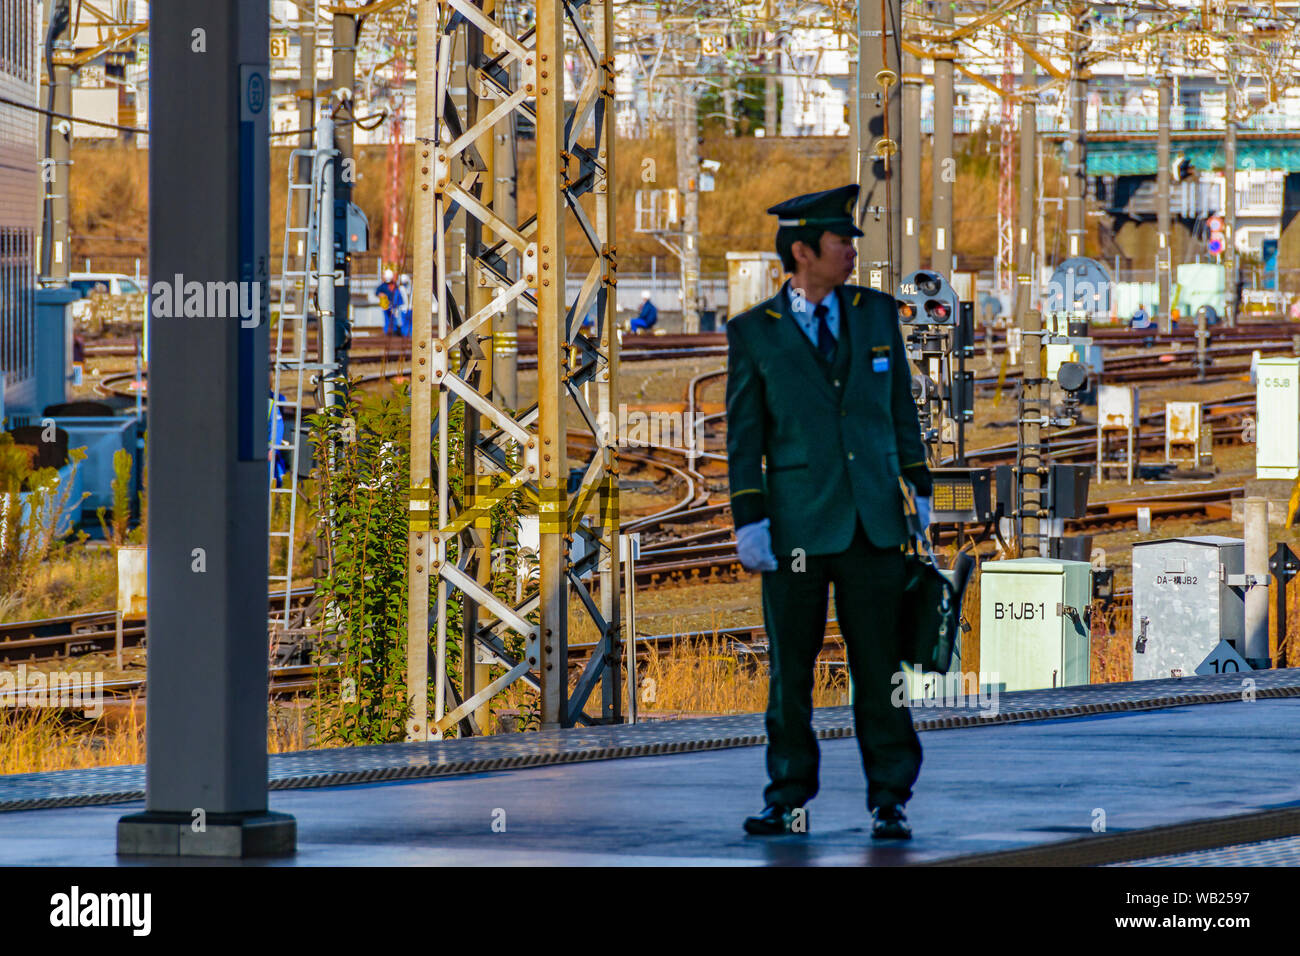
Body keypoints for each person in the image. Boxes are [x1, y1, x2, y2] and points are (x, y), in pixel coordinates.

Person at [726, 183, 932, 841]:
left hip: (872, 522)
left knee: (881, 669)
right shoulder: (755, 334)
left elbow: (900, 405)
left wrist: (918, 486)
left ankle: (890, 798)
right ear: (804, 251)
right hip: (793, 528)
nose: (851, 253)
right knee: (792, 671)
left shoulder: (875, 315)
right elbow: (743, 438)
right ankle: (787, 797)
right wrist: (748, 519)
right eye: (842, 242)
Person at [374, 268, 404, 336]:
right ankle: (388, 332)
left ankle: (395, 331)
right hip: (386, 306)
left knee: (395, 319)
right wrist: (380, 294)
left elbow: (398, 295)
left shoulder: (395, 285)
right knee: (387, 319)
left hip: (395, 306)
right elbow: (377, 292)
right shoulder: (383, 285)